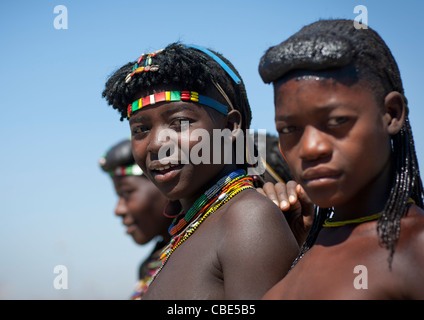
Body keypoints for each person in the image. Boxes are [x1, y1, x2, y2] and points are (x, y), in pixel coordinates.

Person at [102, 43, 299, 299]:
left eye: (180, 123)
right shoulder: (189, 230)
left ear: (229, 127)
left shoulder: (247, 217)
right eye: (140, 129)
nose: (156, 144)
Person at [258, 19, 424, 299]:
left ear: (392, 114)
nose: (311, 148)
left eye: (337, 121)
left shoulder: (415, 248)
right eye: (289, 129)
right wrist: (289, 245)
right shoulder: (306, 246)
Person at [99, 138, 175, 299]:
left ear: (165, 185)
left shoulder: (200, 251)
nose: (118, 210)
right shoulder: (148, 266)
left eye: (127, 193)